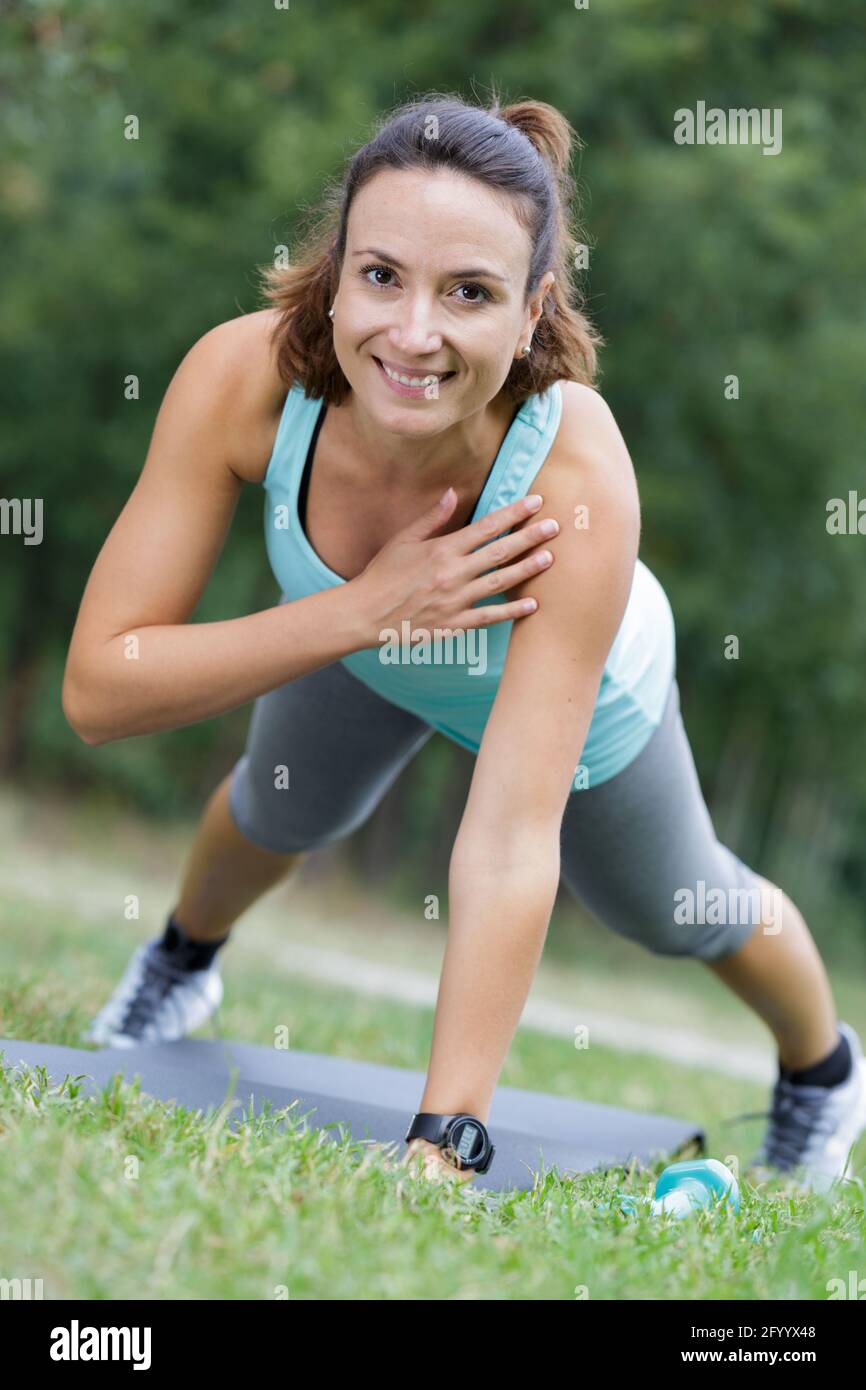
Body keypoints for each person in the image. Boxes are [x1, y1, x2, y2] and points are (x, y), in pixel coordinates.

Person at [63, 92, 866, 1192]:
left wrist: (446, 1136)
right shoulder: (240, 379)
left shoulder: (574, 472)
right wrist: (365, 610)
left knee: (672, 900)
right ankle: (178, 966)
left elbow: (503, 840)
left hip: (565, 682)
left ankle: (822, 1070)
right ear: (337, 266)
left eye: (470, 294)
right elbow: (101, 691)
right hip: (374, 629)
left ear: (532, 310)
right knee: (280, 805)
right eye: (381, 275)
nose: (413, 334)